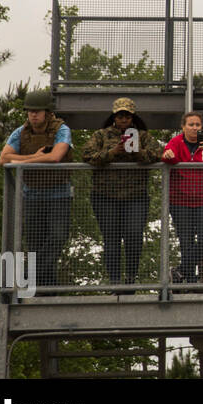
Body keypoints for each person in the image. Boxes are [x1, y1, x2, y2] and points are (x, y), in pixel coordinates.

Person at [82, 97, 161, 286]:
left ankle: (131, 278)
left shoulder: (143, 136)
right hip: (105, 196)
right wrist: (112, 152)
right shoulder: (101, 135)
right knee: (111, 238)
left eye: (127, 116)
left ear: (133, 117)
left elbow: (158, 154)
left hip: (135, 196)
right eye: (120, 116)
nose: (123, 119)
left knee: (134, 236)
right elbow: (87, 155)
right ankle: (115, 281)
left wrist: (137, 153)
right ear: (114, 117)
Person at [0, 88, 73, 287]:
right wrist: (36, 157)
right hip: (31, 194)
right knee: (34, 244)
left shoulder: (61, 130)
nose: (33, 115)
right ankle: (47, 290)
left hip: (58, 193)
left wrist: (22, 161)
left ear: (47, 112)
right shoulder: (20, 132)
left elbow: (55, 157)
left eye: (37, 111)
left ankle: (28, 274)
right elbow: (3, 158)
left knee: (58, 237)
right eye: (30, 111)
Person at [162, 111, 203, 283]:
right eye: (191, 124)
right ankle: (188, 280)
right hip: (180, 200)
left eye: (198, 125)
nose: (195, 128)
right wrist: (168, 156)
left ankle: (180, 270)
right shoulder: (175, 142)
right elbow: (167, 157)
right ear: (183, 127)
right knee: (186, 241)